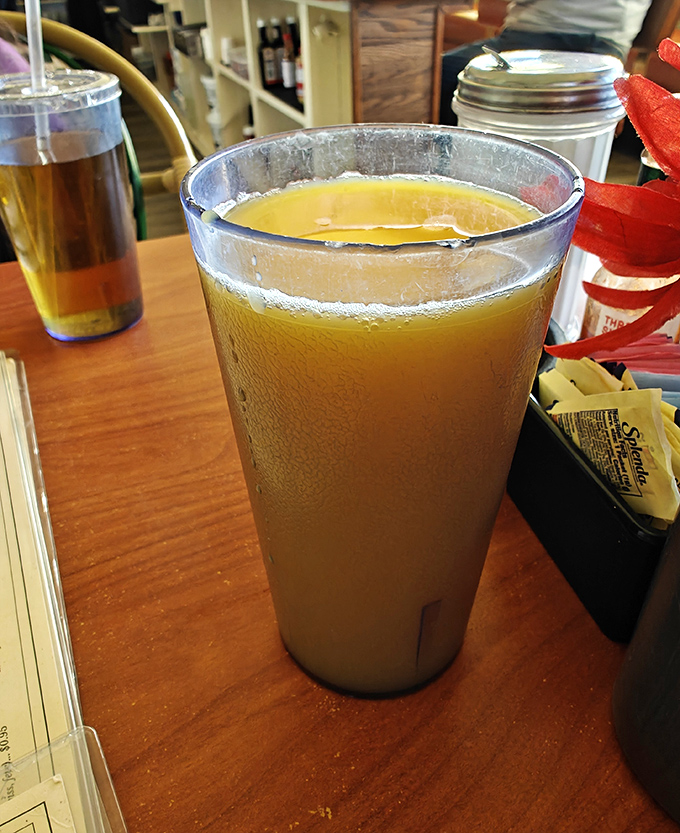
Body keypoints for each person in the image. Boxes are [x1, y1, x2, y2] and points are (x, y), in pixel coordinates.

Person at [439, 0, 654, 124]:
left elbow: (488, 11)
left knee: (439, 73)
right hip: (597, 43)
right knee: (441, 72)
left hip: (577, 39)